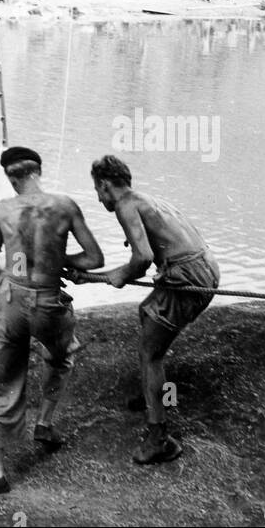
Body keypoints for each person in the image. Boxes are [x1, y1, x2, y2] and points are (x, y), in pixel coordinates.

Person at [0, 147, 104, 493]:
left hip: (12, 302)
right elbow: (94, 258)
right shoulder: (64, 206)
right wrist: (60, 263)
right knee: (61, 356)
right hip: (50, 303)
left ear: (11, 177)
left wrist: (9, 266)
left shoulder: (4, 209)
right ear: (39, 172)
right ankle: (44, 422)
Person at [89, 155, 220, 464]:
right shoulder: (145, 198)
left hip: (188, 274)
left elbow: (143, 257)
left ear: (105, 185)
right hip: (206, 266)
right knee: (147, 313)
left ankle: (160, 438)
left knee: (151, 353)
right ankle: (153, 395)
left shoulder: (124, 206)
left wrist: (120, 274)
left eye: (97, 189)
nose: (97, 197)